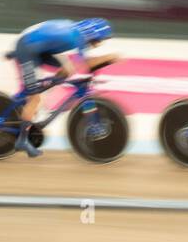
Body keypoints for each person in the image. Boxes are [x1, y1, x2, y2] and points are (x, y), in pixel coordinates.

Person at [8, 17, 118, 157]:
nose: (98, 44)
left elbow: (83, 65)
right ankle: (22, 140)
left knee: (68, 70)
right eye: (98, 40)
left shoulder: (79, 33)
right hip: (26, 48)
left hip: (37, 47)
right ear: (92, 34)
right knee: (34, 98)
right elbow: (85, 65)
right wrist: (109, 58)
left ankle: (36, 94)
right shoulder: (77, 37)